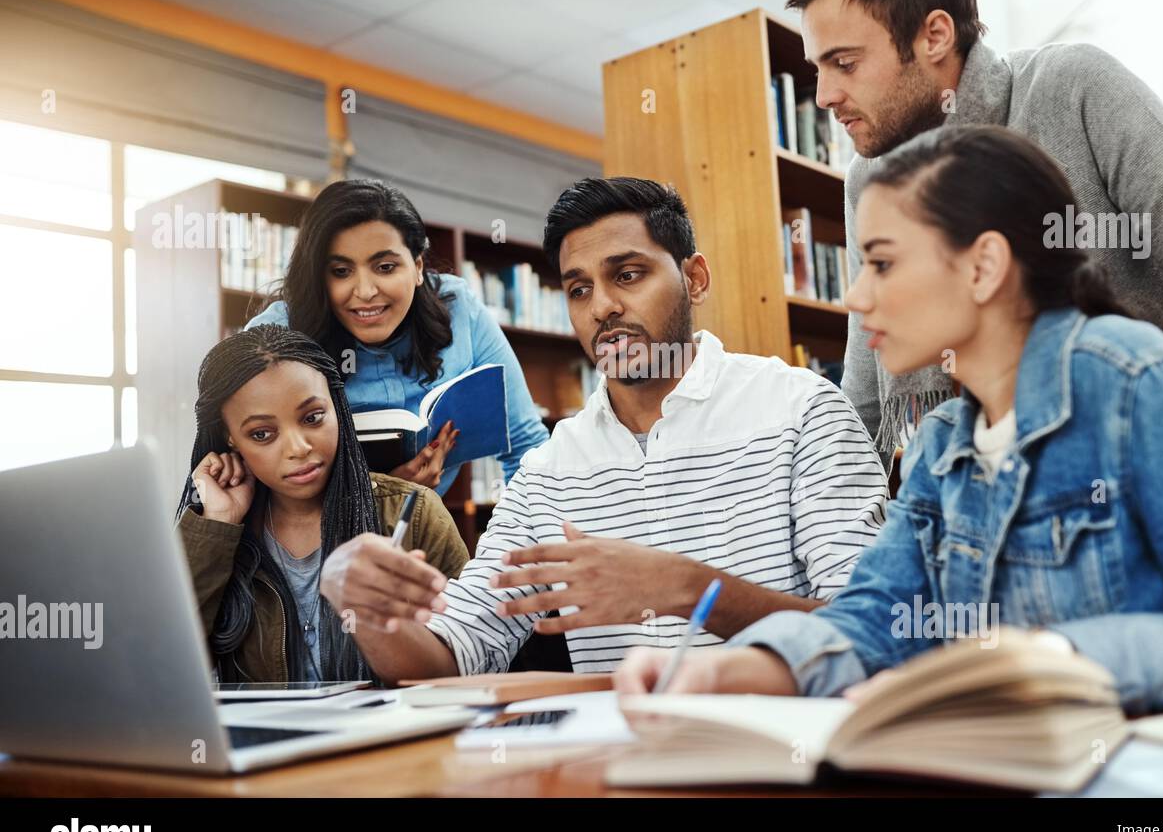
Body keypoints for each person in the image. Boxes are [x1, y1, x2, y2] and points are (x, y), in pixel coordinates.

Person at [614, 126, 1163, 714]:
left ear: (983, 266)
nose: (855, 297)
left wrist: (1049, 660)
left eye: (881, 263)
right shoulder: (941, 446)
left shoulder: (1144, 387)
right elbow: (877, 617)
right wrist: (729, 670)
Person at [792, 0, 1163, 529]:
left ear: (934, 35)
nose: (824, 95)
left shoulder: (1077, 89)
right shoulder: (868, 177)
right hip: (997, 522)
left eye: (845, 63)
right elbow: (868, 398)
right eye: (818, 68)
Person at [317, 176, 890, 680]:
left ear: (694, 279)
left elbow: (876, 631)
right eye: (579, 289)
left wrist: (688, 588)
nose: (603, 307)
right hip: (623, 757)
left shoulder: (801, 410)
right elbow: (449, 655)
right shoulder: (548, 472)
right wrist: (363, 606)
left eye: (628, 275)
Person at [175, 324, 468, 684]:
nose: (298, 448)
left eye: (313, 418)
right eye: (262, 434)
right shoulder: (218, 528)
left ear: (337, 407)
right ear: (230, 439)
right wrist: (219, 524)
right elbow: (164, 665)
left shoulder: (416, 513)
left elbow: (469, 657)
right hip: (265, 725)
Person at [246, 178, 550, 495]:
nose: (365, 292)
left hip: (424, 522)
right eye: (341, 272)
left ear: (418, 266)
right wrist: (384, 495)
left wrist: (518, 526)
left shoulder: (459, 307)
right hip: (314, 527)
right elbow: (246, 470)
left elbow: (528, 446)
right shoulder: (277, 334)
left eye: (385, 267)